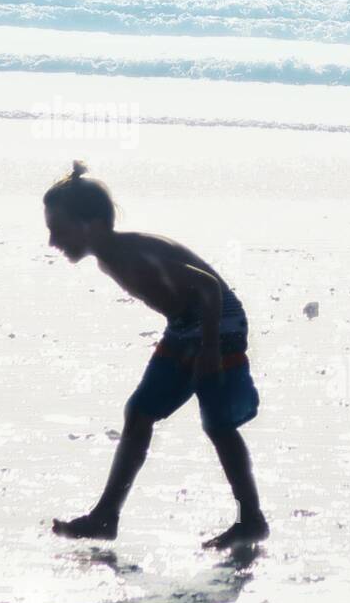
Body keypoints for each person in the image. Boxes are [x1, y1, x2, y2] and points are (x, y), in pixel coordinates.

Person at [43, 161, 268, 549]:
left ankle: (252, 520)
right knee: (140, 412)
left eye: (58, 230)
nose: (53, 241)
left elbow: (208, 287)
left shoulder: (134, 254)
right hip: (184, 326)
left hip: (218, 323)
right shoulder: (107, 258)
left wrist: (211, 349)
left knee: (218, 423)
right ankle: (105, 517)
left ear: (92, 224)